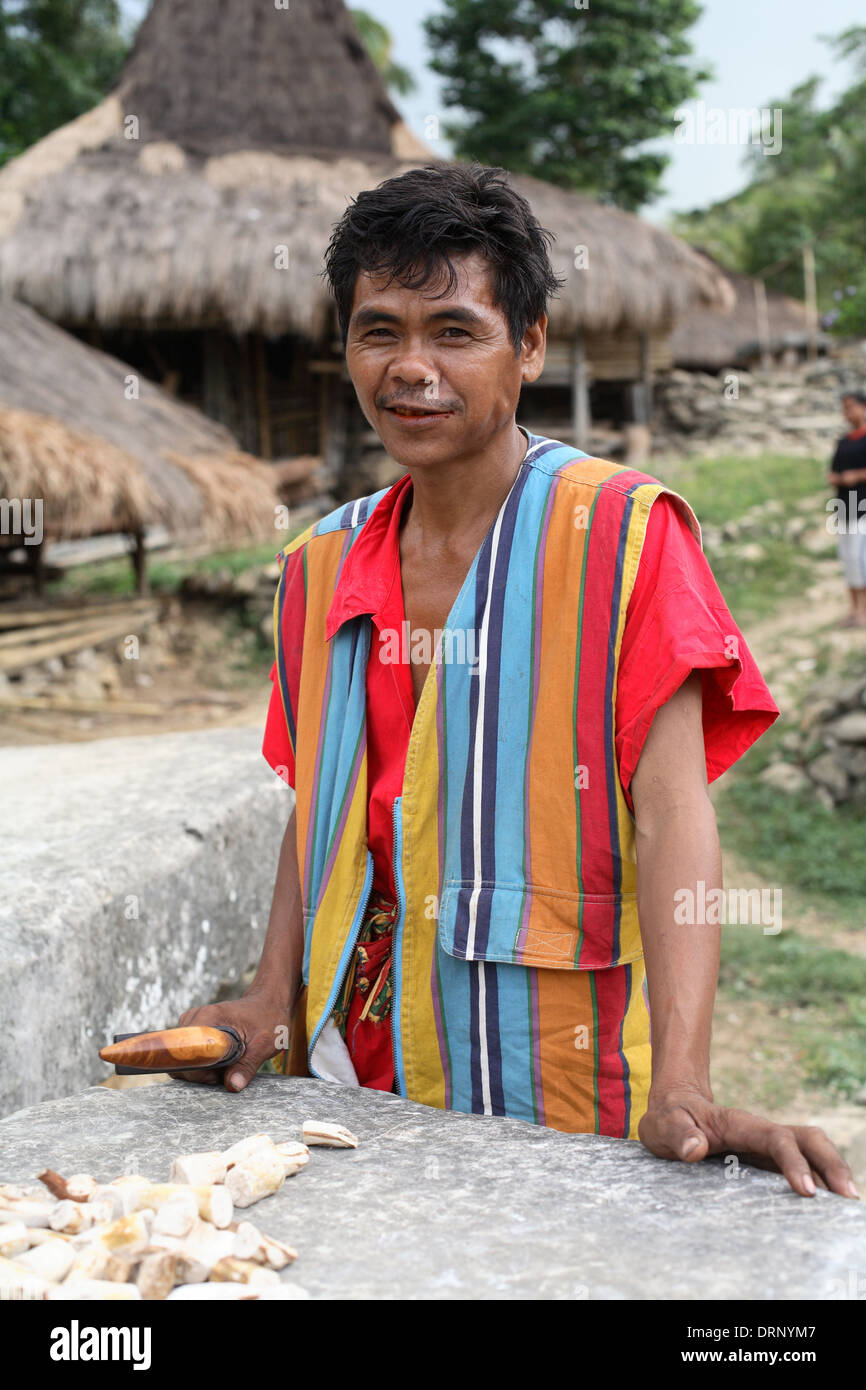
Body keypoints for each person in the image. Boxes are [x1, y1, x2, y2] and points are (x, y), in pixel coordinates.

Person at [172, 163, 857, 1202]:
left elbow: (673, 813)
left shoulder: (623, 533)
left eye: (453, 330)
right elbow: (316, 807)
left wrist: (682, 1080)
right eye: (378, 330)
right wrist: (269, 995)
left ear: (527, 344)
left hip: (556, 1091)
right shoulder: (317, 565)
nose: (410, 368)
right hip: (346, 1085)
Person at [828, 389, 866, 628]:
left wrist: (858, 475)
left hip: (863, 507)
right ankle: (854, 609)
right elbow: (833, 470)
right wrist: (838, 478)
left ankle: (863, 612)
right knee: (848, 560)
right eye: (844, 407)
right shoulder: (843, 442)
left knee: (860, 559)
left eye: (850, 406)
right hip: (844, 507)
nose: (847, 412)